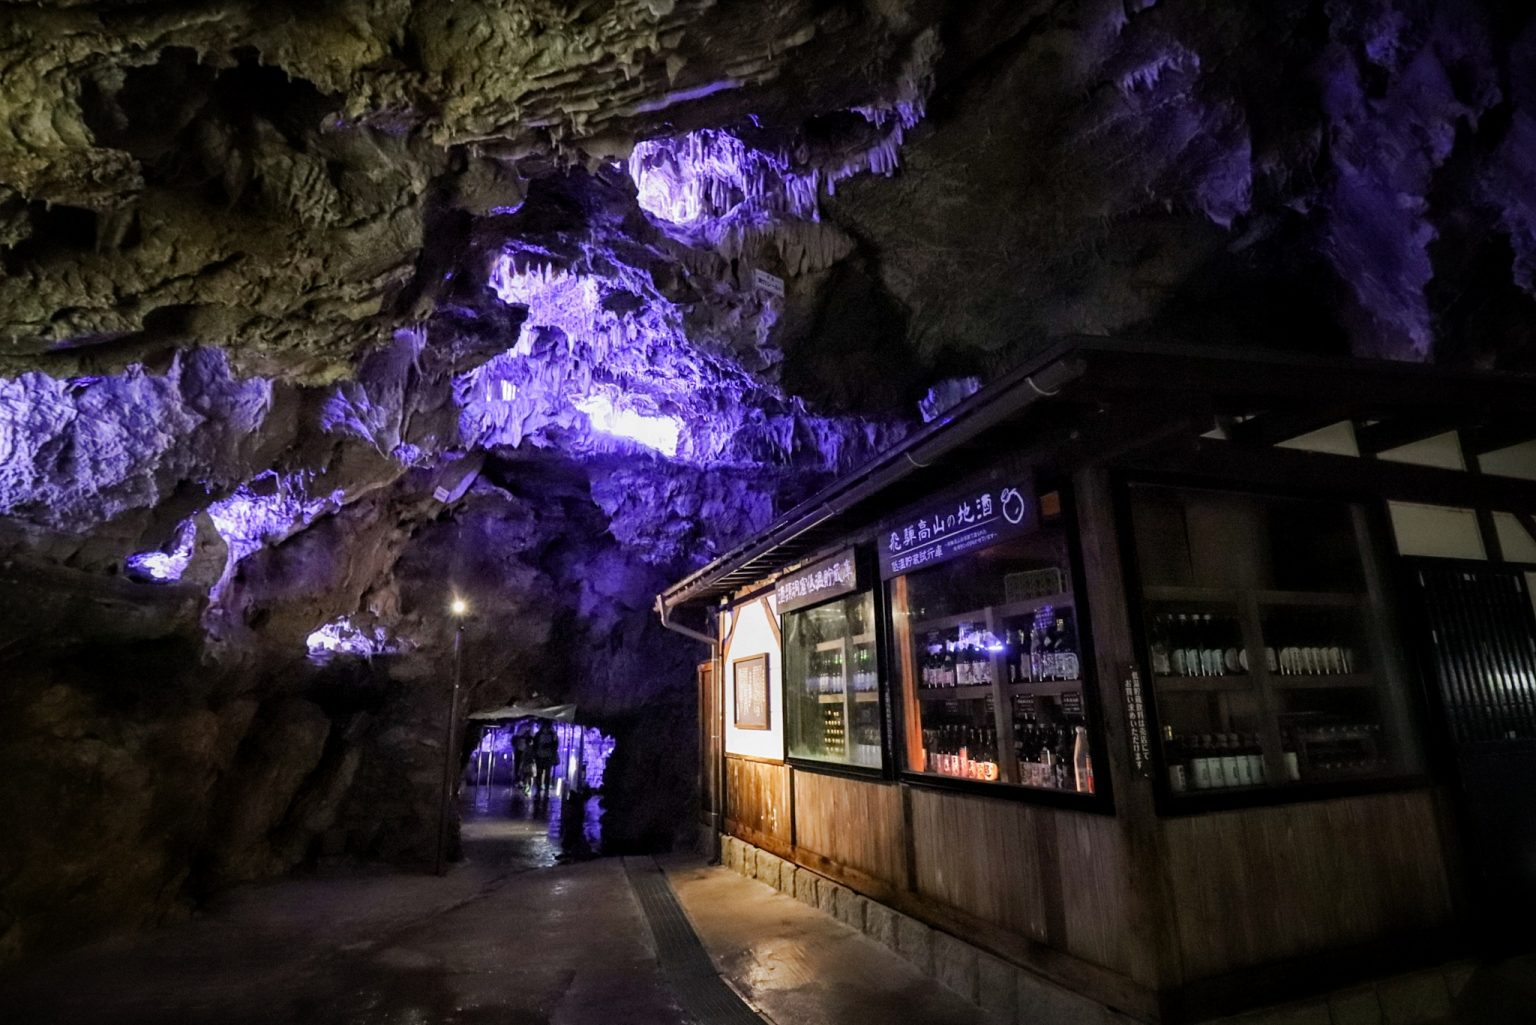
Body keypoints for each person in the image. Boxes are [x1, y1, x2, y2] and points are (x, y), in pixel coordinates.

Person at [532, 721, 559, 796]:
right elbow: (535, 745)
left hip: (547, 757)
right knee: (539, 774)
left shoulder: (552, 735)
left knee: (547, 774)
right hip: (540, 756)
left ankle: (545, 790)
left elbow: (555, 745)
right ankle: (538, 790)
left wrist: (549, 747)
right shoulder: (538, 735)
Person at [511, 726, 532, 793]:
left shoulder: (526, 733)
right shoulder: (520, 734)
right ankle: (519, 781)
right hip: (520, 751)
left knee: (522, 767)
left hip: (524, 752)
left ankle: (522, 781)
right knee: (518, 766)